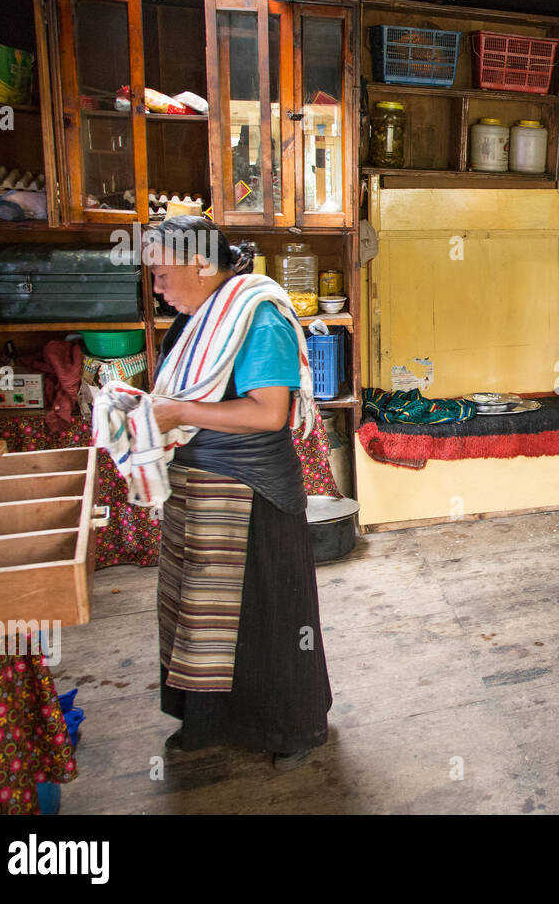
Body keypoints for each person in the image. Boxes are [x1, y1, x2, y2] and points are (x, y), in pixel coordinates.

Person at [144, 216, 332, 768]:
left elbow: (269, 412)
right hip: (200, 491)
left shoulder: (257, 317)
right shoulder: (201, 319)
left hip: (250, 496)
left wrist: (176, 412)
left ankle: (288, 728)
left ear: (200, 263)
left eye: (161, 273)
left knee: (266, 618)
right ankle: (211, 722)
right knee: (202, 617)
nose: (156, 286)